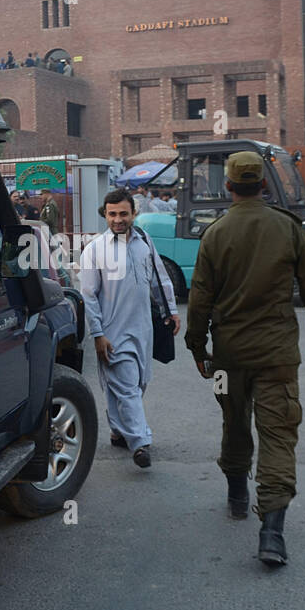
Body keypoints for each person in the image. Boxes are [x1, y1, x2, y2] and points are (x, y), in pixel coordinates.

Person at [185, 152, 305, 568]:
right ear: (264, 185)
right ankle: (272, 533)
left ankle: (237, 496)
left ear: (228, 186)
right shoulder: (287, 228)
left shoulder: (215, 234)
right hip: (277, 354)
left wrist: (198, 349)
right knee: (278, 435)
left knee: (233, 420)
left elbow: (199, 300)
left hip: (228, 356)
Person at [79, 189, 179, 468]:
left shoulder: (144, 240)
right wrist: (98, 334)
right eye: (112, 214)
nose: (118, 219)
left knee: (136, 383)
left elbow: (160, 278)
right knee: (126, 386)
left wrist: (171, 310)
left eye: (123, 213)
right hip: (112, 331)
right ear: (105, 215)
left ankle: (118, 431)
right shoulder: (94, 250)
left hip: (143, 329)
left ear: (134, 213)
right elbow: (88, 296)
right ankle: (140, 442)